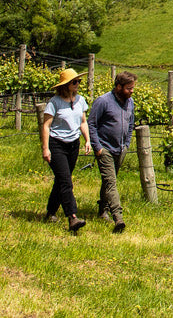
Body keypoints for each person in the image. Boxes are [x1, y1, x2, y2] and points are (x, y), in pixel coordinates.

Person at [40, 67, 91, 233]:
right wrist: (46, 148)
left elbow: (83, 122)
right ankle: (72, 217)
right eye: (74, 82)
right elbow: (46, 126)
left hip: (73, 144)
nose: (78, 84)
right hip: (57, 144)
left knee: (62, 180)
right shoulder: (54, 103)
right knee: (66, 182)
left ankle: (50, 212)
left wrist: (87, 140)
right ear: (66, 85)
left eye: (78, 81)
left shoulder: (80, 100)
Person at [88, 71, 136, 233]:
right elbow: (92, 125)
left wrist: (127, 144)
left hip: (121, 148)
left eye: (132, 88)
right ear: (118, 87)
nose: (132, 91)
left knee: (109, 181)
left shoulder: (130, 103)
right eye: (129, 88)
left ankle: (102, 210)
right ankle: (118, 218)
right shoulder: (103, 101)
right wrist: (98, 147)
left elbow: (130, 125)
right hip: (105, 149)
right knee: (111, 182)